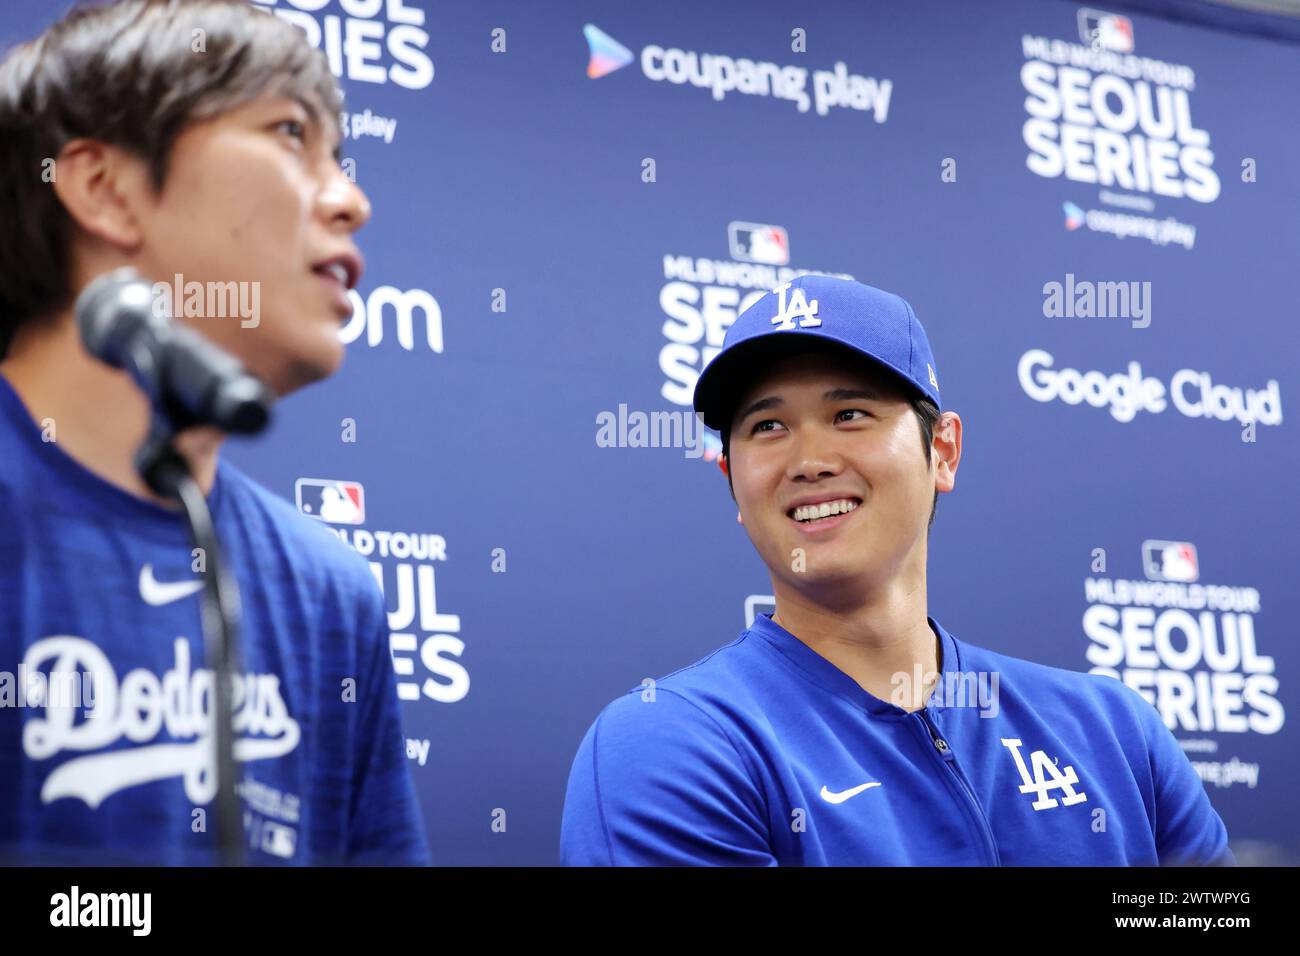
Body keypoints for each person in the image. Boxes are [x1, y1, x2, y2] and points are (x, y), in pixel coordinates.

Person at [560, 275, 1234, 866]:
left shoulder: (1114, 733)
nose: (810, 459)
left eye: (849, 414)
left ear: (942, 451)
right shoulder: (669, 743)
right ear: (732, 481)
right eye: (767, 427)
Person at [0, 0, 429, 865]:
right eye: (288, 134)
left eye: (340, 158)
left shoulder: (328, 592)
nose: (350, 201)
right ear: (103, 188)